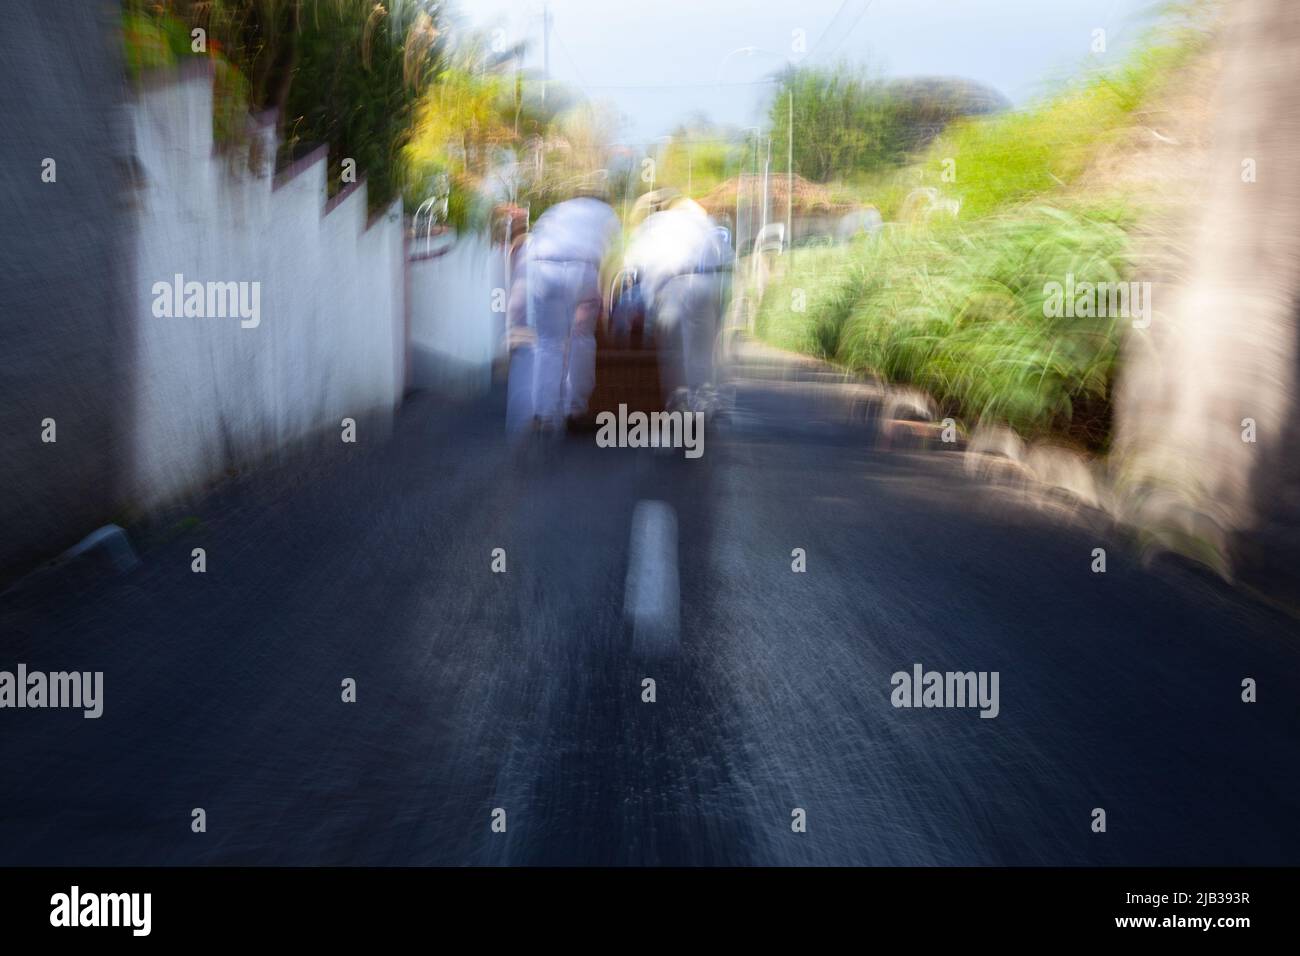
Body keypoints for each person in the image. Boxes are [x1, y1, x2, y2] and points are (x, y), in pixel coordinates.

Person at [505, 191, 620, 436]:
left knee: (549, 343)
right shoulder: (606, 213)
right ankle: (575, 408)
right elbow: (614, 260)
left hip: (544, 266)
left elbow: (532, 244)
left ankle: (545, 414)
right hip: (583, 268)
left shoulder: (557, 210)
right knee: (582, 337)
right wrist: (606, 299)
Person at [622, 199, 731, 413]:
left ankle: (681, 406)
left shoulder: (655, 224)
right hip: (709, 281)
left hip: (675, 285)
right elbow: (726, 257)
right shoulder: (704, 222)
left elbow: (633, 263)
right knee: (701, 351)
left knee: (675, 351)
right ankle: (702, 405)